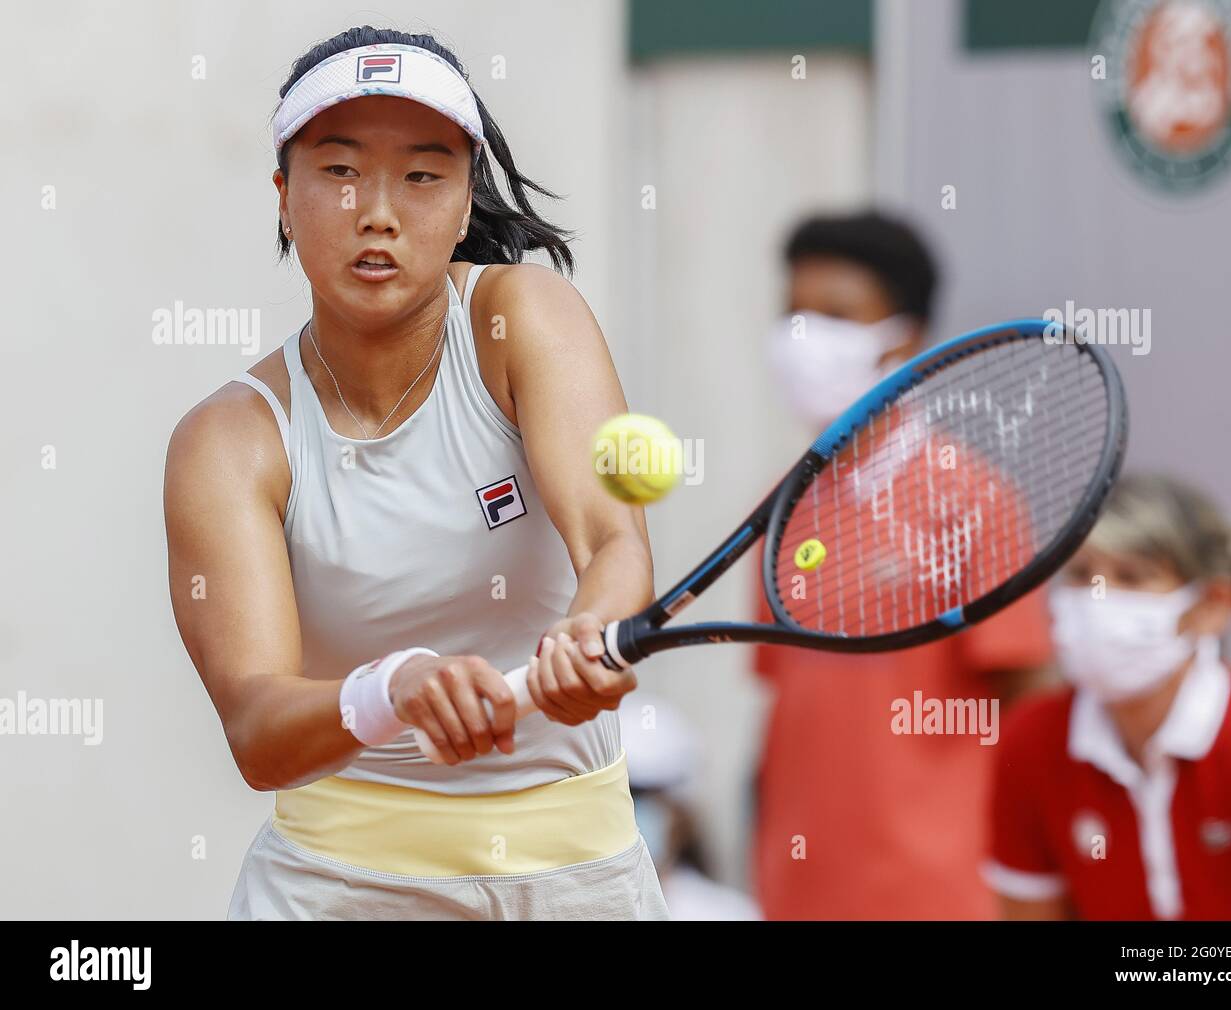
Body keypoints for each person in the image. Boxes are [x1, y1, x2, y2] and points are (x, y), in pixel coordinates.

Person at [164, 25, 667, 920]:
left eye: (423, 175)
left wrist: (588, 633)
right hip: (330, 892)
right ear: (283, 197)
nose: (377, 212)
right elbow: (255, 730)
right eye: (339, 170)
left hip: (583, 884)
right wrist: (388, 689)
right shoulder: (227, 441)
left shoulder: (528, 317)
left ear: (466, 201)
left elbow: (612, 542)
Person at [751, 210, 1054, 919]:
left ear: (906, 339)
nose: (804, 337)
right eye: (794, 312)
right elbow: (786, 702)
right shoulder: (779, 505)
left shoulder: (977, 498)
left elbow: (1030, 704)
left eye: (836, 314)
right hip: (797, 893)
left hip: (941, 894)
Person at [985, 474, 1231, 920]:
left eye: (1132, 577)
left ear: (1212, 605)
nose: (1098, 599)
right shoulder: (1031, 741)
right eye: (1080, 575)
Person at [619, 695, 762, 920]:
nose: (630, 810)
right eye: (621, 795)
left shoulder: (727, 914)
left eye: (643, 794)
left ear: (683, 814)